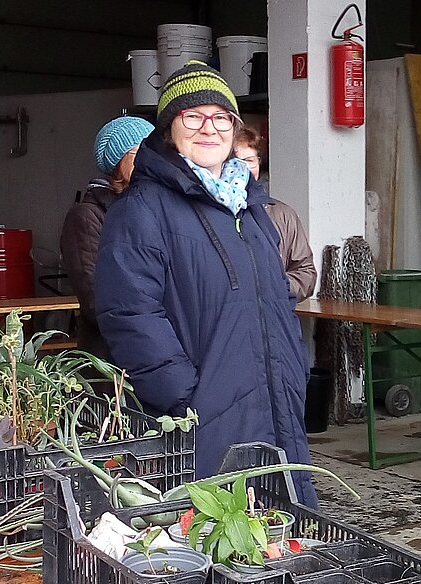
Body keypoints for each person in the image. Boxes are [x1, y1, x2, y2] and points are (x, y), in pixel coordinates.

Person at [94, 62, 317, 507]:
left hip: (275, 403)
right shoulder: (143, 207)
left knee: (281, 536)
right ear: (169, 129)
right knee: (216, 540)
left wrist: (294, 367)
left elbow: (272, 296)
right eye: (192, 116)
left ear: (234, 129)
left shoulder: (250, 207)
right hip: (204, 414)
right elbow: (130, 313)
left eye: (221, 117)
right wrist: (183, 394)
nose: (208, 128)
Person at [60, 115, 154, 357]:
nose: (150, 160)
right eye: (139, 152)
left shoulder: (156, 211)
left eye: (154, 150)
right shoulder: (87, 216)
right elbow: (95, 301)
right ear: (117, 164)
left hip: (157, 353)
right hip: (112, 359)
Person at [234, 127, 317, 301]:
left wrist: (276, 286)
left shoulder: (283, 214)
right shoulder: (212, 212)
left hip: (275, 315)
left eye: (250, 160)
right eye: (236, 162)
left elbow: (305, 272)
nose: (244, 168)